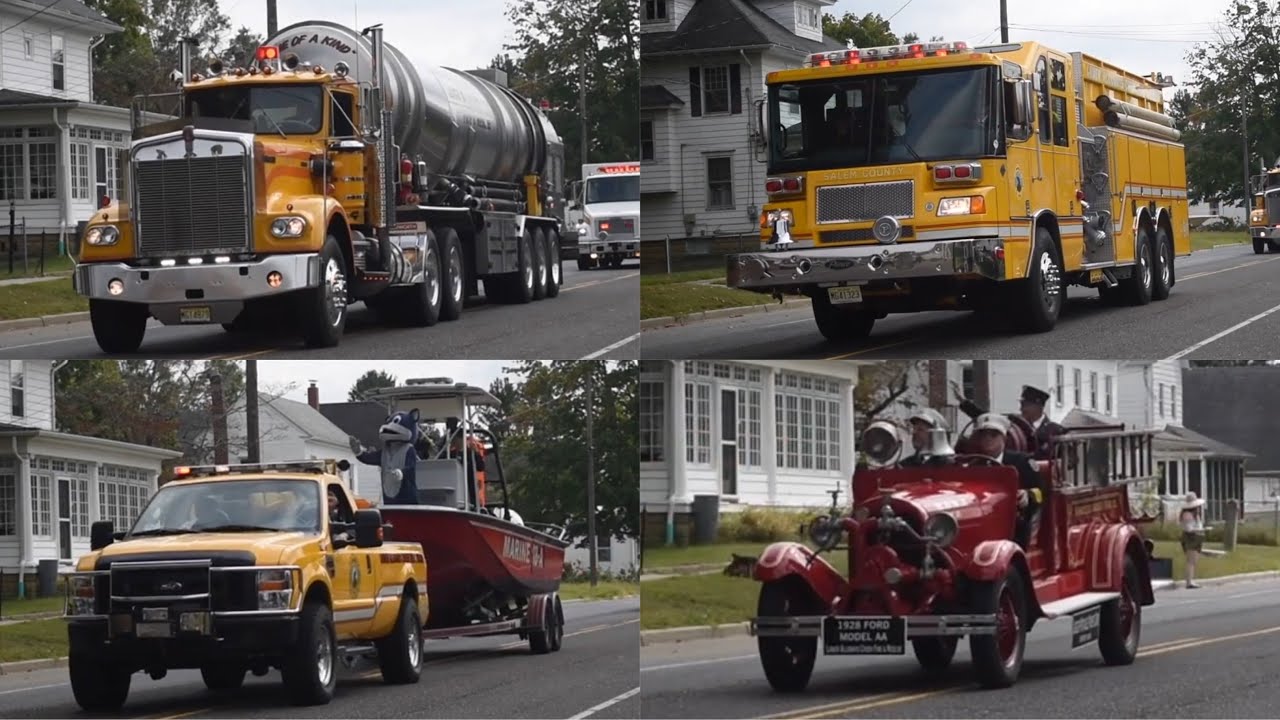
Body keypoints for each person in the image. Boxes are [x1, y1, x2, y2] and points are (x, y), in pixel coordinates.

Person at [972, 413, 1047, 549]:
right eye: (984, 435)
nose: (988, 439)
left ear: (1004, 438)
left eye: (994, 435)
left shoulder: (1021, 462)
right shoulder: (972, 465)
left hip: (1014, 529)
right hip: (980, 526)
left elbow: (1041, 492)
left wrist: (1027, 495)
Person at [1019, 385, 1065, 459]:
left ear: (1038, 406)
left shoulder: (1055, 431)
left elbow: (1070, 460)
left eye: (1025, 405)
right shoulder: (1019, 429)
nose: (1021, 409)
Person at [1179, 492, 1206, 589]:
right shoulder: (1187, 515)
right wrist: (1199, 530)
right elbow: (1188, 528)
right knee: (1191, 560)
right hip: (1191, 537)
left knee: (1194, 560)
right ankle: (1189, 582)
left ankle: (1191, 580)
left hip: (1197, 537)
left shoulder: (1195, 514)